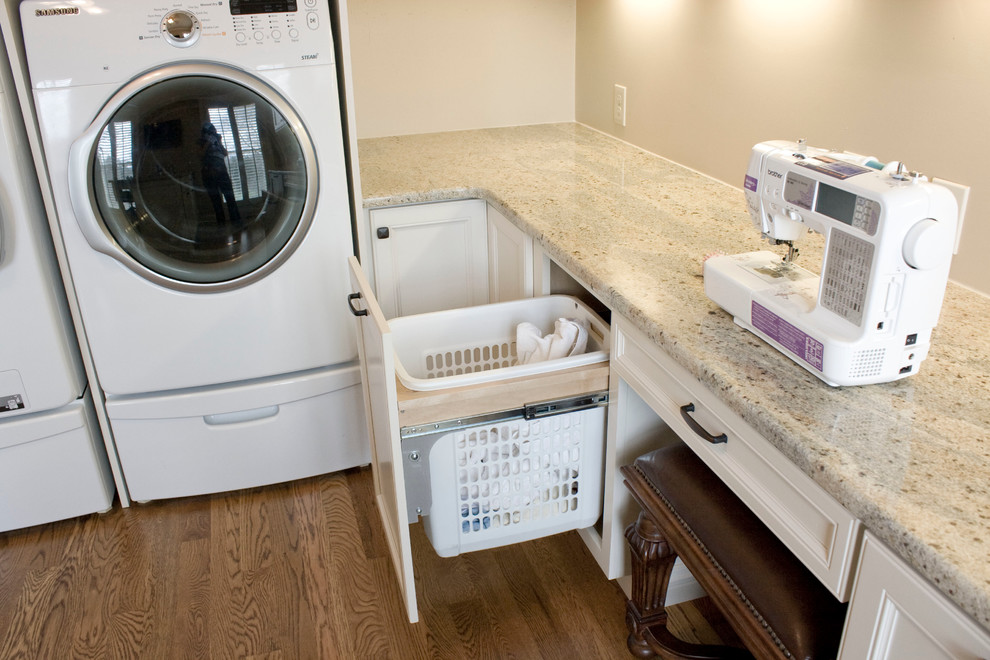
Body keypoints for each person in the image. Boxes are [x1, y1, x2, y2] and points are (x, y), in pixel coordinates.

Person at [199, 122, 241, 228]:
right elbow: (200, 155)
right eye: (210, 132)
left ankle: (237, 223)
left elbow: (225, 153)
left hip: (222, 173)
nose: (212, 134)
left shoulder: (217, 142)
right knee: (216, 202)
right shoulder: (201, 142)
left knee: (230, 198)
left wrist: (219, 142)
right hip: (209, 175)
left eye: (213, 132)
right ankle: (221, 226)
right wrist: (208, 142)